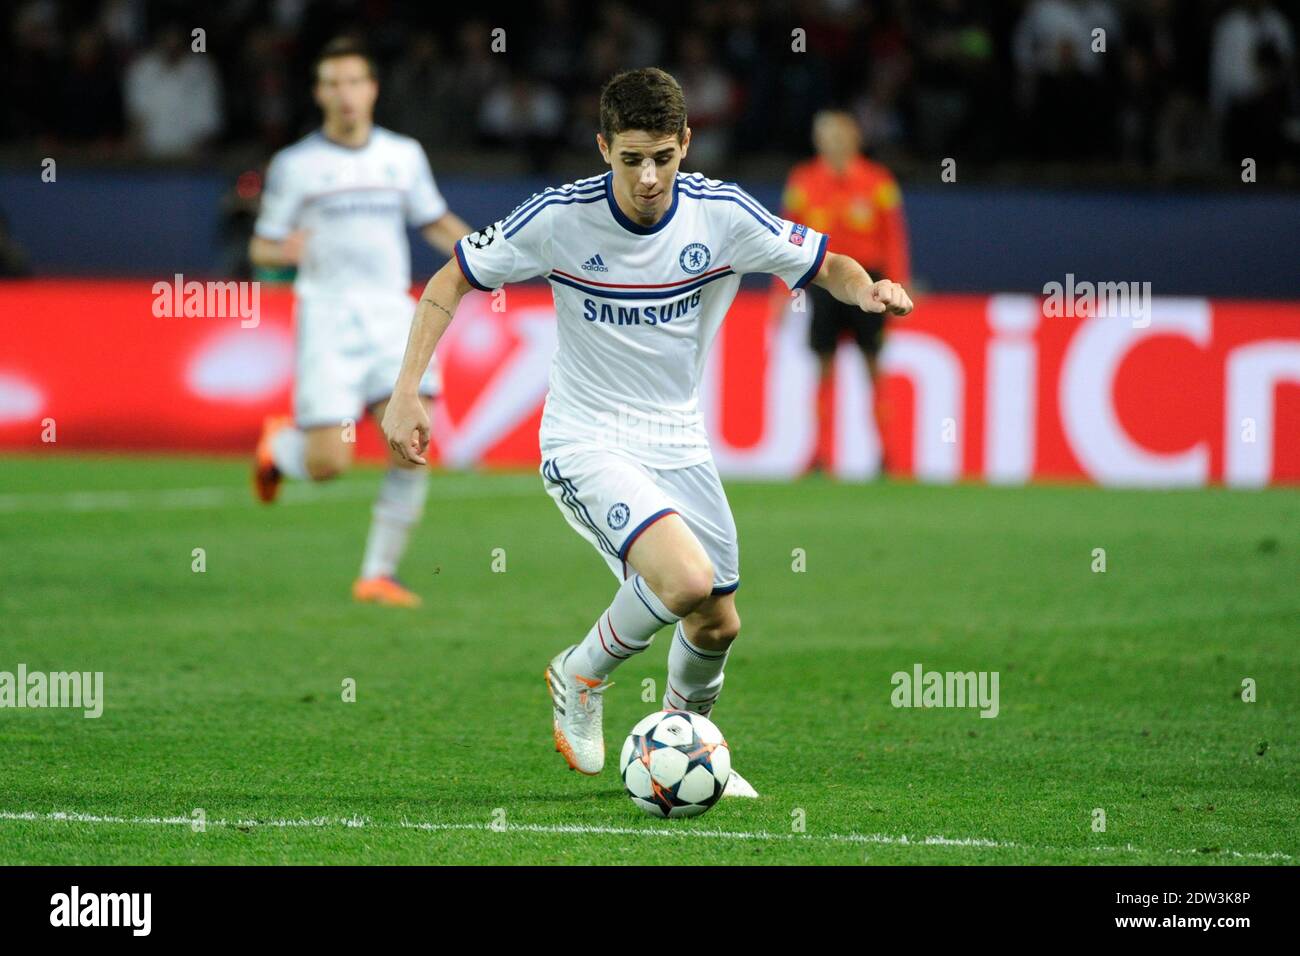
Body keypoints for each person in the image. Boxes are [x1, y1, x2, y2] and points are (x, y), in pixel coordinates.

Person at [381, 69, 912, 790]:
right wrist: (407, 389)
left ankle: (686, 749)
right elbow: (451, 280)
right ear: (604, 148)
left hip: (679, 443)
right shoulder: (559, 219)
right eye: (631, 158)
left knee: (718, 625)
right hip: (586, 437)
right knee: (686, 579)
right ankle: (580, 671)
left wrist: (868, 287)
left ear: (686, 143)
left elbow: (828, 264)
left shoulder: (723, 215)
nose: (650, 176)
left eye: (663, 155)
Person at [249, 38, 471, 608]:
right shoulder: (296, 165)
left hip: (393, 315)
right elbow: (262, 245)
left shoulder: (402, 154)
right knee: (327, 465)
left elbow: (433, 220)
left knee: (412, 441)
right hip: (326, 318)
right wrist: (284, 251)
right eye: (332, 83)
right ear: (319, 92)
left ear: (371, 88)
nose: (344, 93)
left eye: (354, 81)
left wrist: (488, 251)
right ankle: (279, 447)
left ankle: (378, 574)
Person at [780, 110, 911, 474]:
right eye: (826, 137)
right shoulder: (803, 181)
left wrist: (898, 284)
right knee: (823, 368)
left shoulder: (878, 181)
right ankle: (821, 454)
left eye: (839, 136)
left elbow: (894, 238)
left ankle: (889, 455)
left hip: (870, 284)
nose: (833, 143)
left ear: (855, 139)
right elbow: (784, 239)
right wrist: (782, 293)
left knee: (873, 367)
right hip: (823, 280)